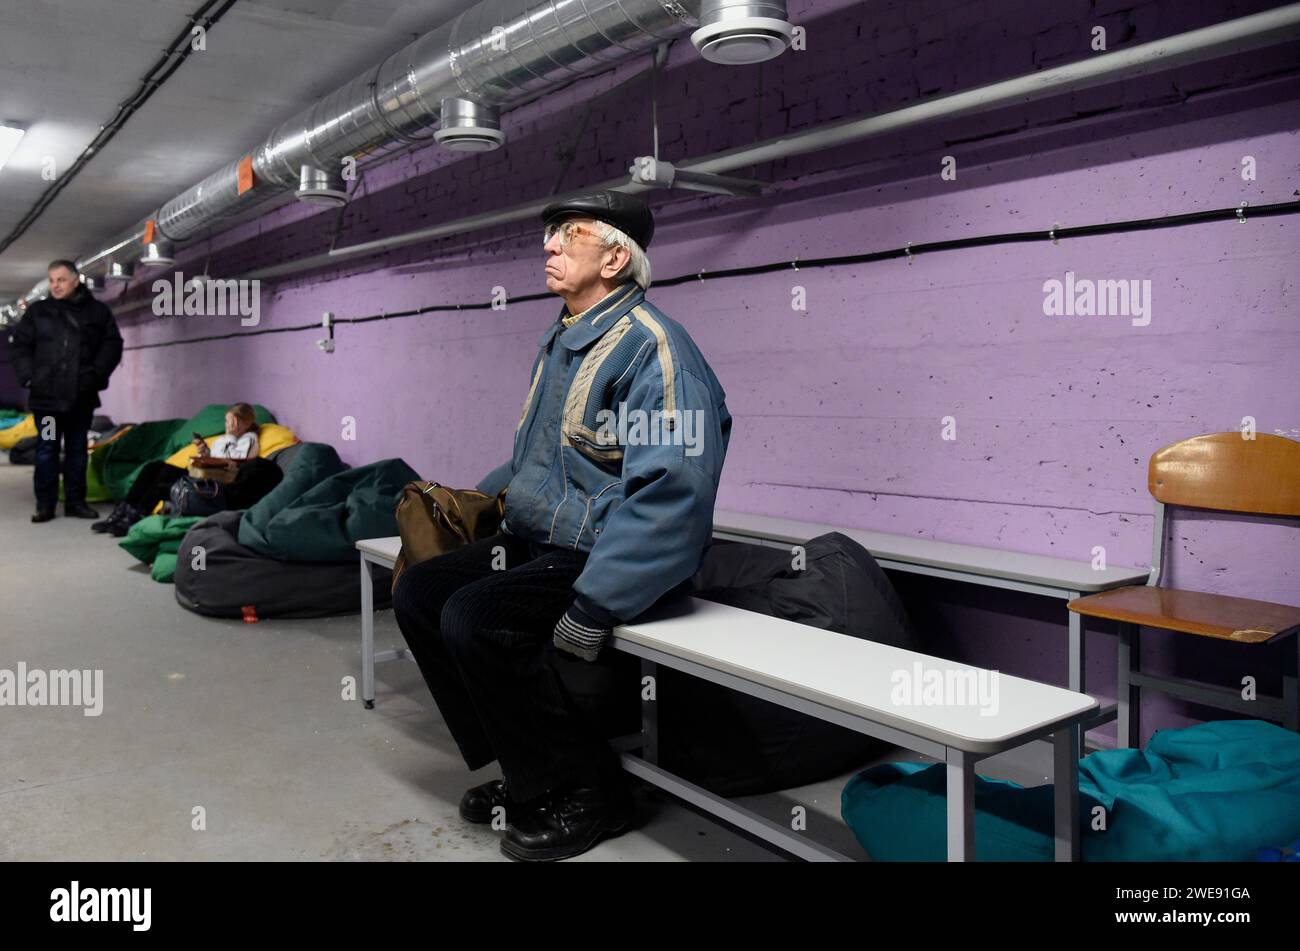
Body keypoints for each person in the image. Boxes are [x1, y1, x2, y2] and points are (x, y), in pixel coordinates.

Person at [392, 191, 732, 861]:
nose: (548, 246)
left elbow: (675, 495)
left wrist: (599, 600)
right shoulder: (565, 334)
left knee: (474, 618)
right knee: (419, 594)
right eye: (548, 234)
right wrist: (484, 500)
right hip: (542, 541)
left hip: (604, 553)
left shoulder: (655, 352)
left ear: (614, 256)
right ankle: (529, 777)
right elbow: (546, 457)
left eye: (566, 234)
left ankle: (591, 792)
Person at [10, 260, 123, 522]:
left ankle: (76, 503)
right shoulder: (38, 312)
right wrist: (28, 378)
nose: (55, 285)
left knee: (76, 449)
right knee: (47, 448)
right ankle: (45, 505)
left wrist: (95, 375)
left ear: (75, 280)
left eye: (60, 279)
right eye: (51, 280)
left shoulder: (97, 312)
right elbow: (21, 347)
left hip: (80, 399)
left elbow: (112, 345)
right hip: (46, 402)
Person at [93, 402, 263, 536]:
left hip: (215, 482)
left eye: (230, 421)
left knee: (164, 477)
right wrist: (205, 451)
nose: (227, 425)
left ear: (242, 422)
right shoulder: (224, 438)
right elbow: (216, 456)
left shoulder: (250, 439)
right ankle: (123, 510)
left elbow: (239, 462)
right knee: (154, 467)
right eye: (227, 421)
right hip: (204, 472)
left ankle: (135, 517)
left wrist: (232, 437)